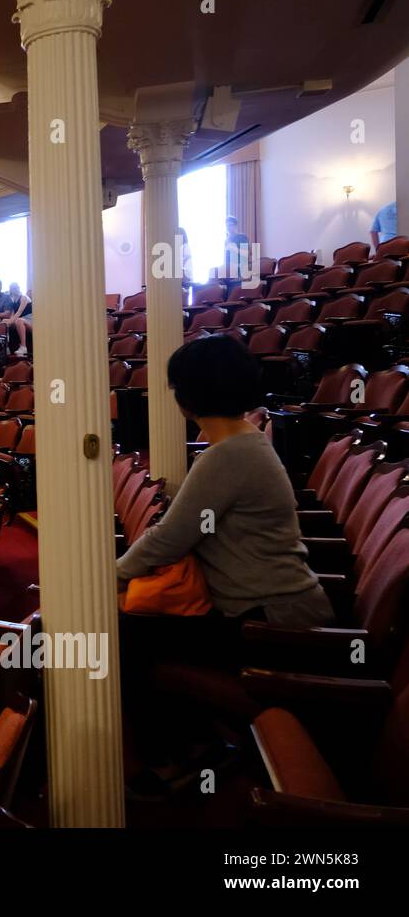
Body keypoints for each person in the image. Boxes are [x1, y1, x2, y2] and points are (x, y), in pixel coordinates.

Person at [117, 334, 333, 794]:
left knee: (125, 636)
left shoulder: (228, 455)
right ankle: (196, 744)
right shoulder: (243, 441)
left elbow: (168, 540)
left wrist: (109, 575)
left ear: (187, 396)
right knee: (138, 629)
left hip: (269, 617)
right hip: (275, 604)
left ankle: (178, 756)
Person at [5, 282, 33, 357]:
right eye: (14, 288)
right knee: (6, 321)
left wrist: (10, 321)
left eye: (17, 287)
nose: (16, 289)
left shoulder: (24, 297)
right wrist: (7, 322)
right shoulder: (13, 301)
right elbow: (12, 315)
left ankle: (23, 347)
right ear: (11, 290)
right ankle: (7, 345)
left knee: (18, 320)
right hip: (22, 319)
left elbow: (19, 312)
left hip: (31, 319)